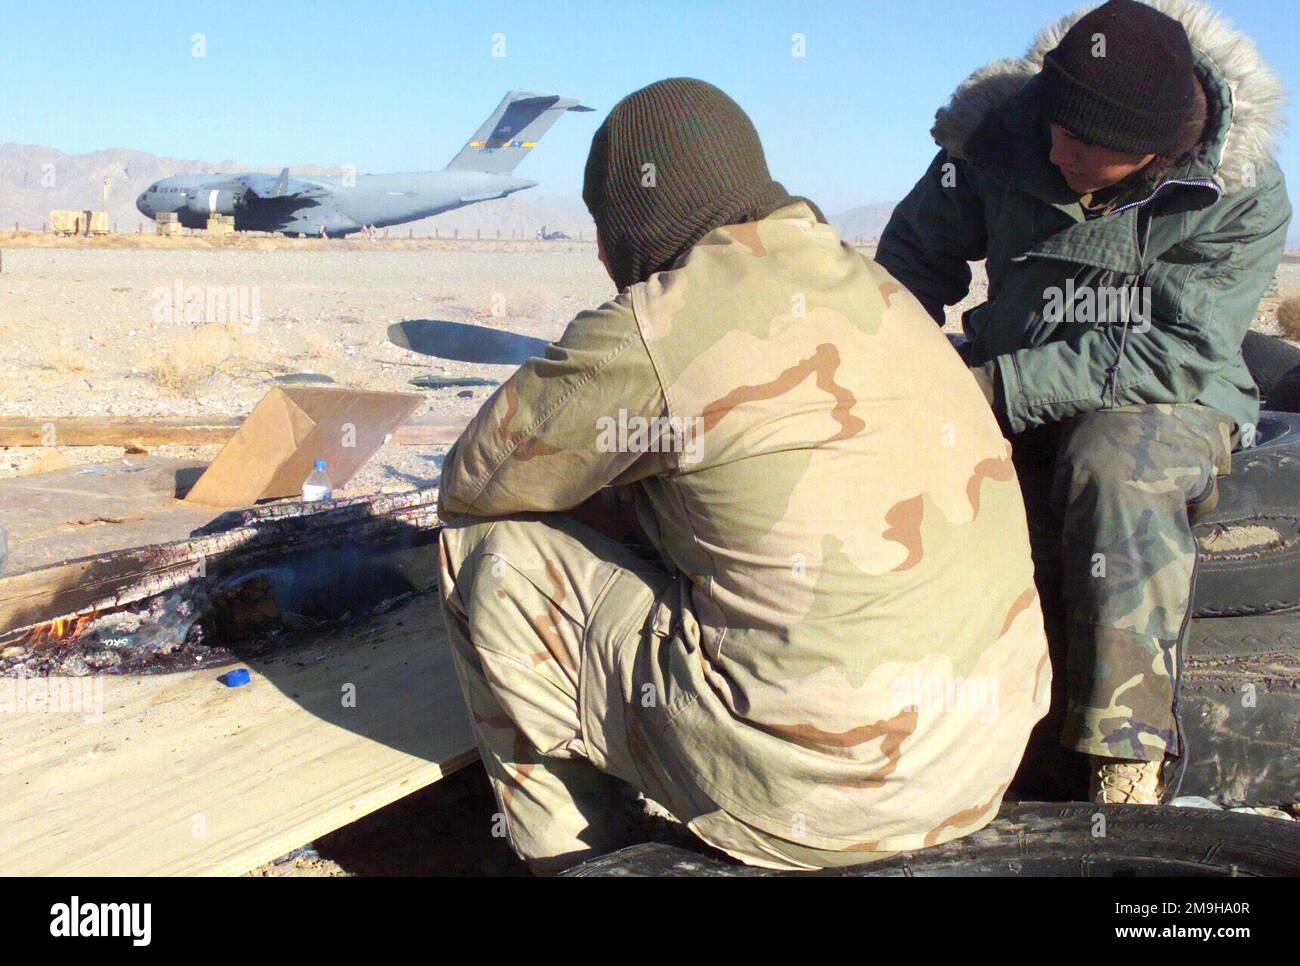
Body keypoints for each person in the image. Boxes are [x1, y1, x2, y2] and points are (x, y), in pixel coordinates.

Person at [437, 77, 1050, 873]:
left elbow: (478, 481)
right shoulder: (884, 293)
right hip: (980, 762)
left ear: (630, 220)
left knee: (492, 556)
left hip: (824, 797)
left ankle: (577, 857)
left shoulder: (663, 319)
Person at [876, 0, 1291, 804]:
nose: (1058, 150)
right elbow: (909, 262)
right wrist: (881, 371)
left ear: (1153, 153)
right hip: (1018, 364)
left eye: (1088, 145)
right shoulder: (1004, 132)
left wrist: (995, 393)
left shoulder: (1239, 192)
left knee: (1110, 470)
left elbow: (1179, 348)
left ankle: (1123, 763)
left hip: (1166, 389)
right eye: (1054, 127)